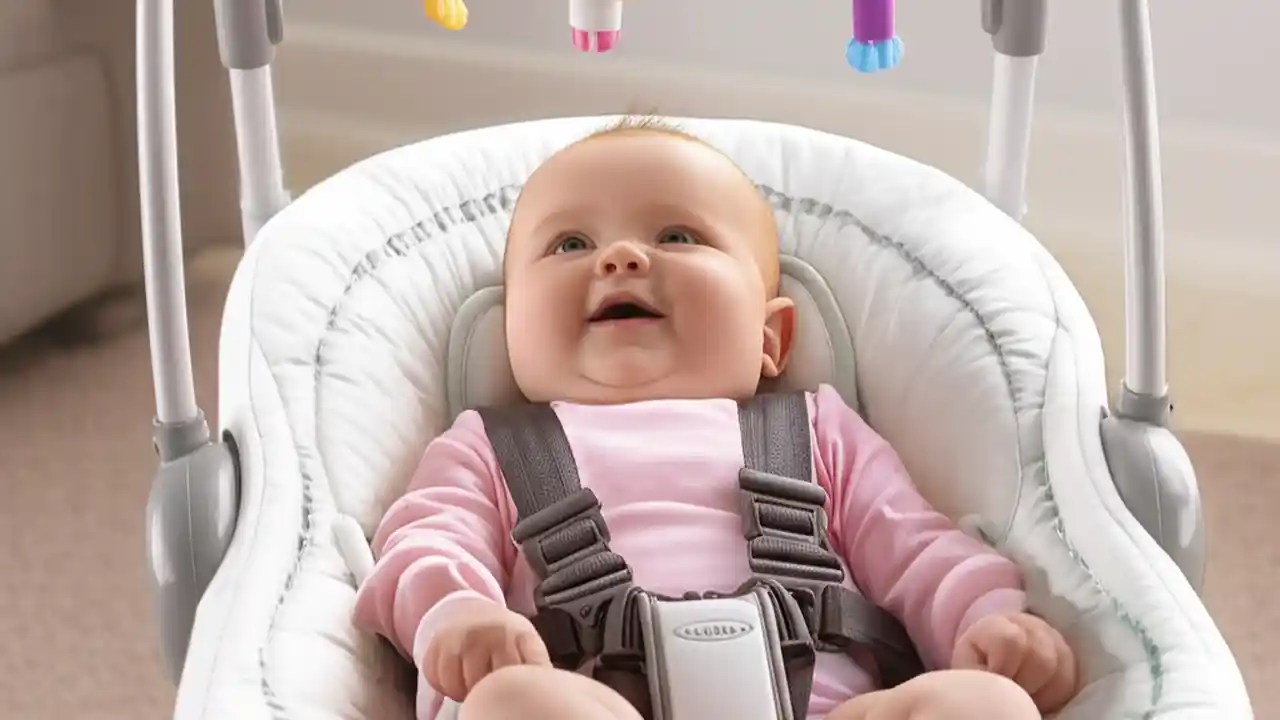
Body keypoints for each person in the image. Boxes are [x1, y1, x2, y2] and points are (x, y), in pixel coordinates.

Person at [352, 116, 1078, 720]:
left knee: (983, 705)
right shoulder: (489, 445)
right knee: (512, 702)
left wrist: (988, 622)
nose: (621, 258)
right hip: (591, 699)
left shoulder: (816, 431)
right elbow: (421, 542)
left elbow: (918, 549)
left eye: (677, 236)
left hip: (818, 706)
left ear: (771, 339)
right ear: (511, 335)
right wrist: (457, 614)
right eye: (570, 244)